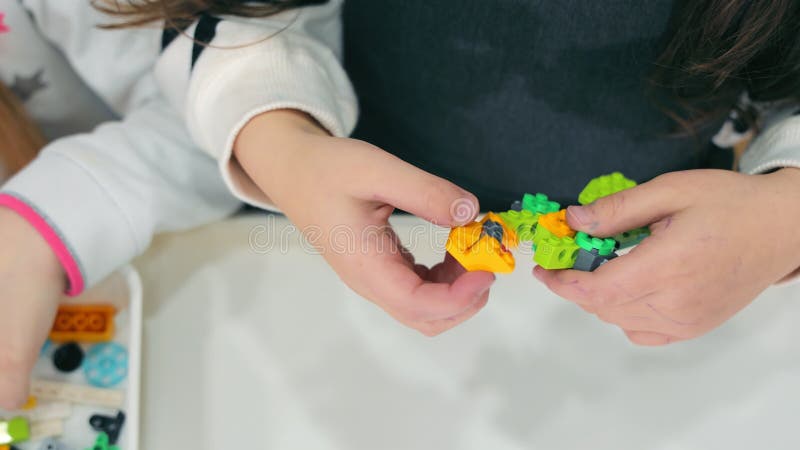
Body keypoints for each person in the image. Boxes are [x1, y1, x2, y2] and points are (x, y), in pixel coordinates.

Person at [2, 0, 799, 408]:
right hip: (336, 257)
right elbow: (244, 21)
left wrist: (782, 215)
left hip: (695, 308)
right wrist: (283, 143)